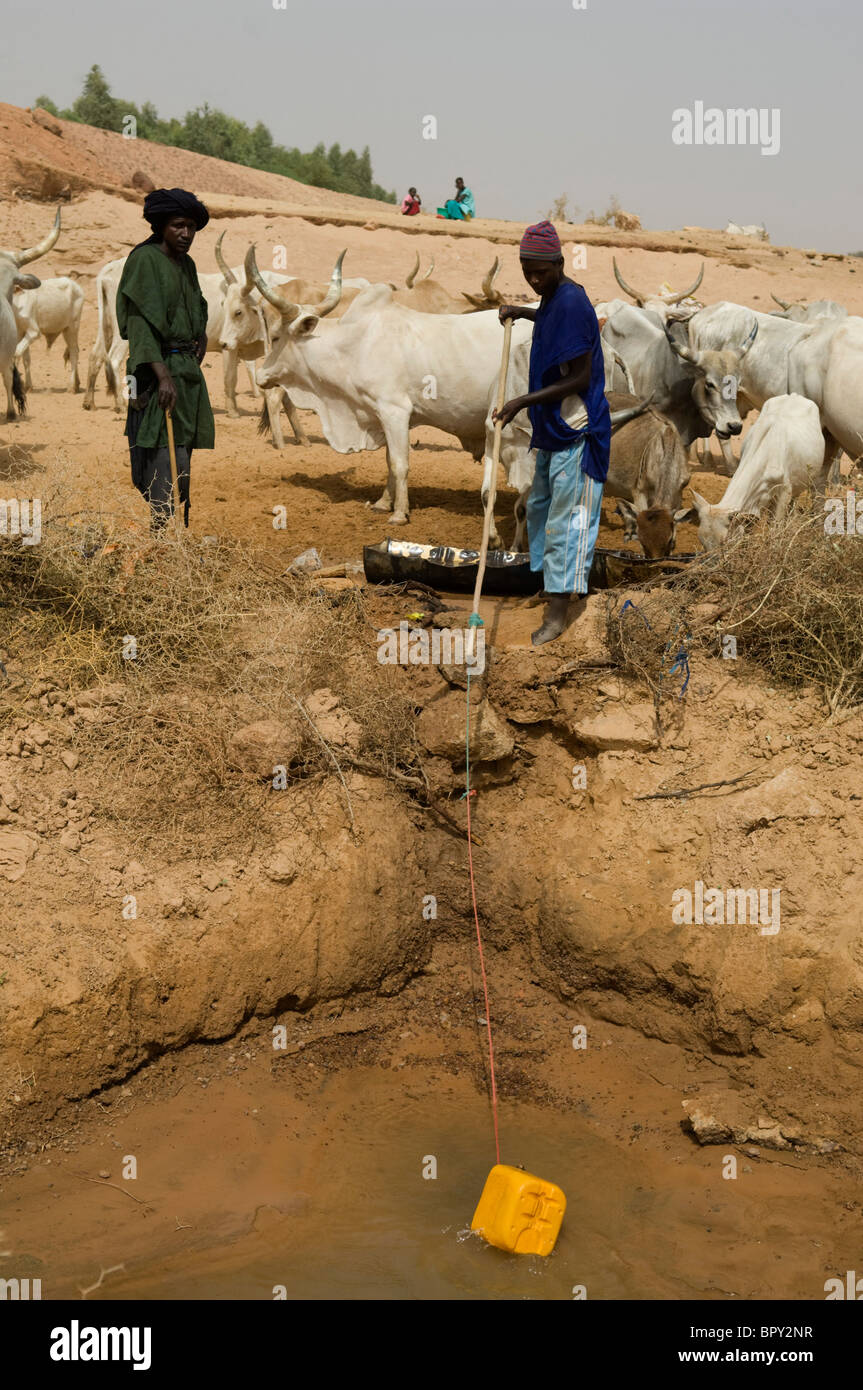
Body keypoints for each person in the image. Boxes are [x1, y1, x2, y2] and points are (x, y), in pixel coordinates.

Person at [494, 220, 610, 646]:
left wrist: (520, 403)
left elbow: (580, 377)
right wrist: (521, 311)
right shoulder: (552, 297)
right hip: (554, 430)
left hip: (577, 432)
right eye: (527, 270)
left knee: (567, 521)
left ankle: (558, 613)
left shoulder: (573, 304)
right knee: (541, 507)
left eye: (541, 270)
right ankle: (552, 586)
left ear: (560, 263)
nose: (533, 278)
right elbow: (547, 318)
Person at [116, 187, 215, 530]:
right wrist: (163, 377)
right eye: (178, 225)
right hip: (152, 373)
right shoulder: (145, 261)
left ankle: (171, 533)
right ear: (160, 226)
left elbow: (198, 310)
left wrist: (198, 344)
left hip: (185, 374)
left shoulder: (187, 264)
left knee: (181, 456)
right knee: (160, 455)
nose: (186, 234)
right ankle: (161, 537)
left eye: (191, 226)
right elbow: (139, 325)